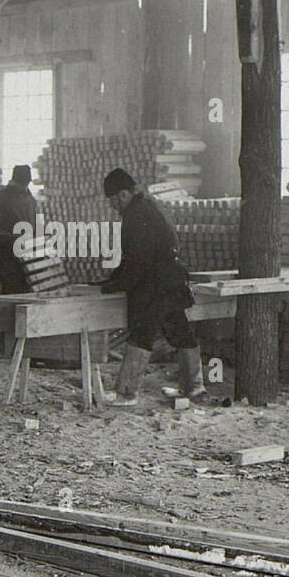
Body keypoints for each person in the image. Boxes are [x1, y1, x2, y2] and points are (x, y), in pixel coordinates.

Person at [100, 167, 207, 406]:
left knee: (141, 334)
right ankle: (194, 389)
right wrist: (114, 277)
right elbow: (135, 257)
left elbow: (138, 260)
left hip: (155, 284)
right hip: (171, 280)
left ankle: (126, 393)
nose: (113, 206)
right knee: (181, 332)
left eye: (114, 201)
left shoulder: (136, 215)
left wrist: (117, 284)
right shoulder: (150, 205)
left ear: (123, 195)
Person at [0, 165, 38, 295]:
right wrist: (11, 240)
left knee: (27, 299)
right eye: (21, 184)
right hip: (8, 260)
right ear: (14, 181)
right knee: (11, 297)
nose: (24, 188)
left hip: (29, 259)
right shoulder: (0, 199)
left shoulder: (31, 200)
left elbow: (34, 227)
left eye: (26, 184)